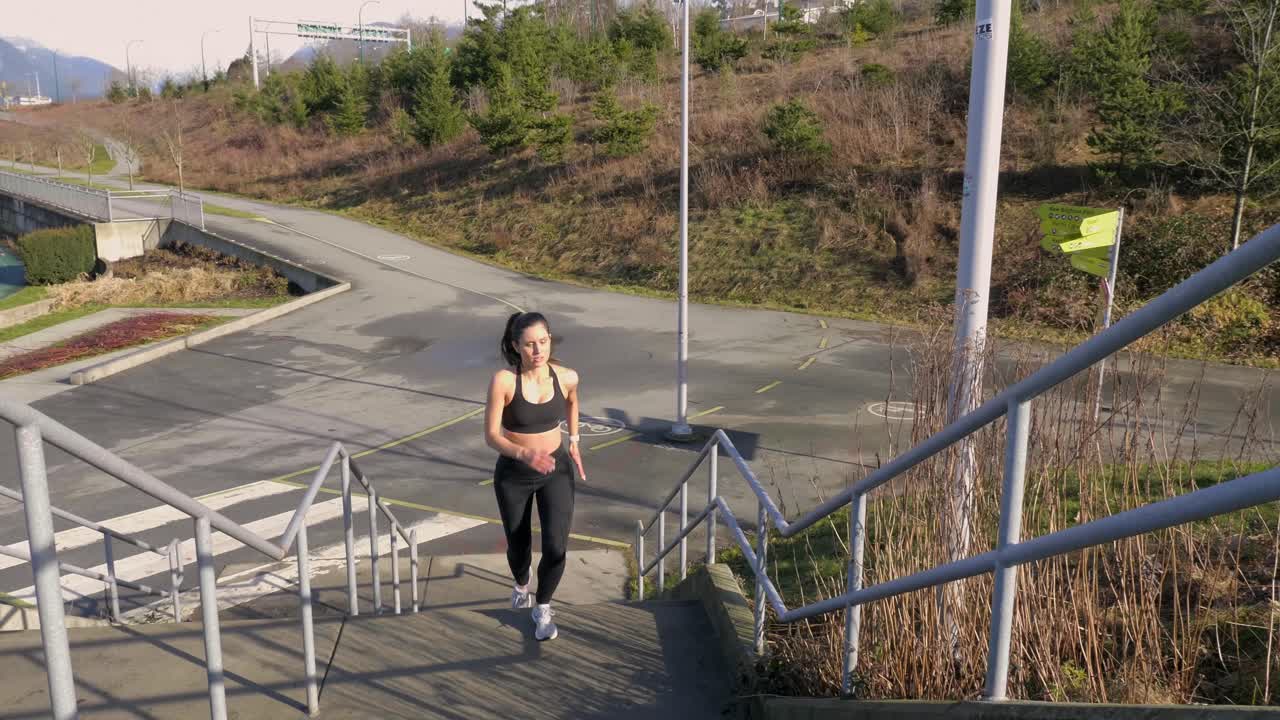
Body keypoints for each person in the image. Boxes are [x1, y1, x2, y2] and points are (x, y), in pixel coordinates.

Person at [484, 311, 587, 641]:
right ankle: (521, 582)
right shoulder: (504, 380)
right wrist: (524, 453)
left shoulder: (567, 376)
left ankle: (542, 607)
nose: (538, 350)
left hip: (556, 470)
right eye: (529, 345)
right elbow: (491, 435)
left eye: (543, 342)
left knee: (557, 546)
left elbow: (573, 401)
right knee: (518, 544)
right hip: (514, 472)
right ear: (516, 347)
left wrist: (574, 442)